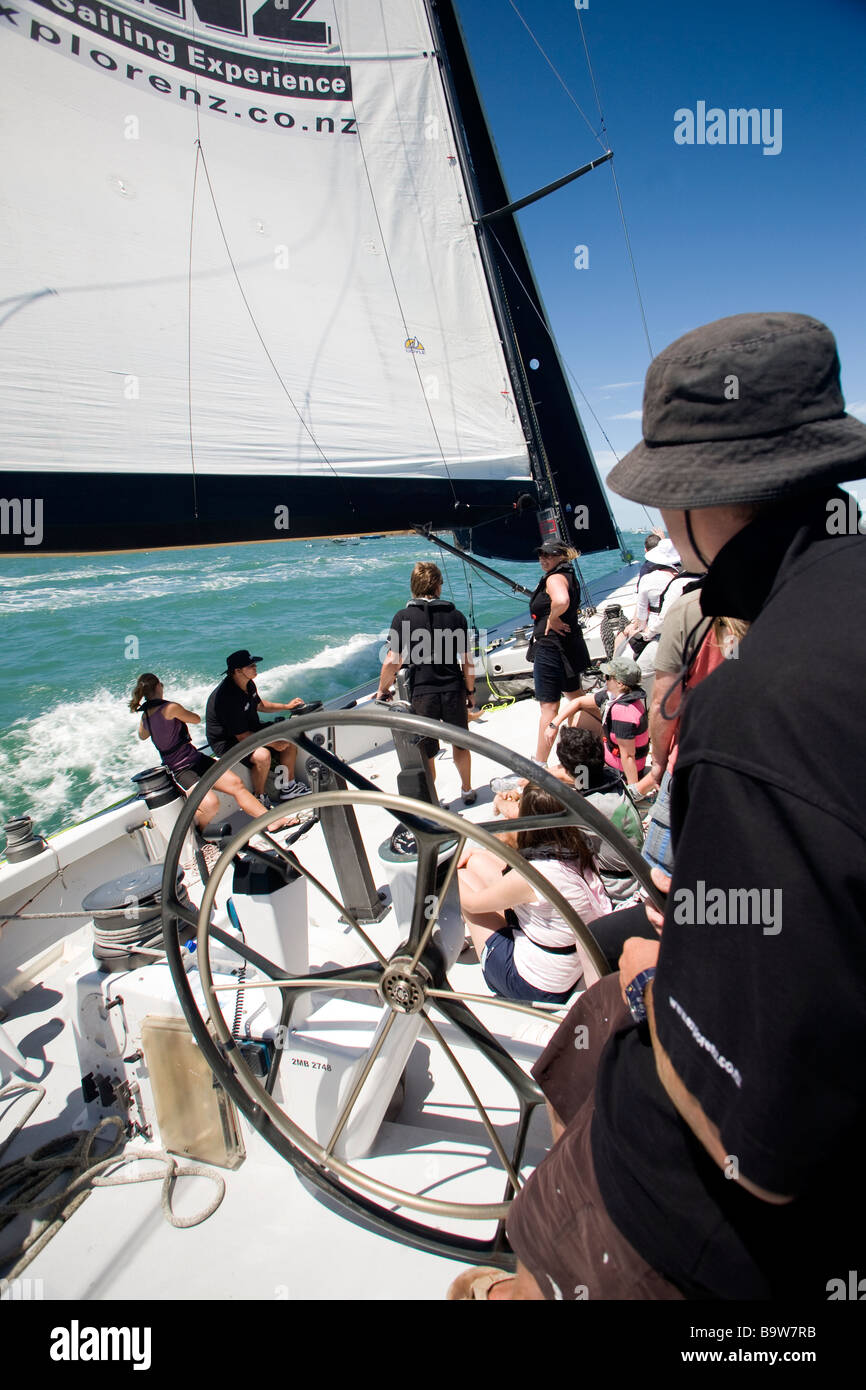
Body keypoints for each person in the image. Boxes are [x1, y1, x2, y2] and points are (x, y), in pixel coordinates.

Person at [447, 310, 866, 1301]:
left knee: (604, 1011)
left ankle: (525, 1279)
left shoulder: (755, 703)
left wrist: (652, 987)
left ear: (695, 503)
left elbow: (751, 1137)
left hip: (714, 1231)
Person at [457, 784, 610, 1004]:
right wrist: (476, 853)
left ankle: (455, 942)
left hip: (532, 985)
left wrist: (449, 873)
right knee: (477, 861)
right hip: (567, 967)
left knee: (462, 878)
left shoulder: (536, 875)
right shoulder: (577, 846)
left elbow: (472, 903)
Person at [376, 562, 476, 803]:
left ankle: (434, 800)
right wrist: (470, 691)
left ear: (414, 586)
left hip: (423, 692)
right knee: (461, 744)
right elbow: (467, 661)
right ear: (438, 586)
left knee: (427, 751)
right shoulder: (456, 616)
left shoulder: (403, 617)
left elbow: (393, 660)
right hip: (453, 688)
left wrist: (382, 689)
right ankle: (467, 789)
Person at [130, 673, 282, 828]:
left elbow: (142, 736)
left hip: (196, 759)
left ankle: (271, 822)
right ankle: (201, 835)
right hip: (182, 770)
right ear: (158, 686)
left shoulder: (145, 718)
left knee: (236, 784)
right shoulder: (169, 708)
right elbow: (195, 719)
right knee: (211, 805)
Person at [205, 650, 308, 802]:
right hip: (228, 742)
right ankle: (260, 796)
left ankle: (289, 786)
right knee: (262, 756)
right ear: (237, 671)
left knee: (289, 735)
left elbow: (260, 705)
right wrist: (273, 743)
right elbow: (242, 737)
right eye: (251, 665)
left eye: (254, 664)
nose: (255, 667)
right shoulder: (227, 698)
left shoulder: (248, 684)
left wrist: (287, 706)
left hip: (249, 729)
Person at [528, 540, 591, 765]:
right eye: (541, 554)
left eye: (549, 555)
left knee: (548, 707)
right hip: (568, 646)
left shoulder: (554, 578)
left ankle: (540, 764)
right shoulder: (569, 575)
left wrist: (552, 618)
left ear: (562, 556)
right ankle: (589, 750)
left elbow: (561, 600)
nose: (544, 559)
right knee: (577, 699)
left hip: (550, 648)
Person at [551, 656, 649, 790]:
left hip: (621, 770)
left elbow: (628, 756)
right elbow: (578, 702)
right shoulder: (617, 697)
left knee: (559, 775)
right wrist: (554, 724)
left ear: (620, 683)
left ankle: (577, 777)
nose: (604, 679)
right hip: (613, 752)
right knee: (578, 714)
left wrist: (633, 789)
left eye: (608, 677)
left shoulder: (623, 712)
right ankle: (574, 768)